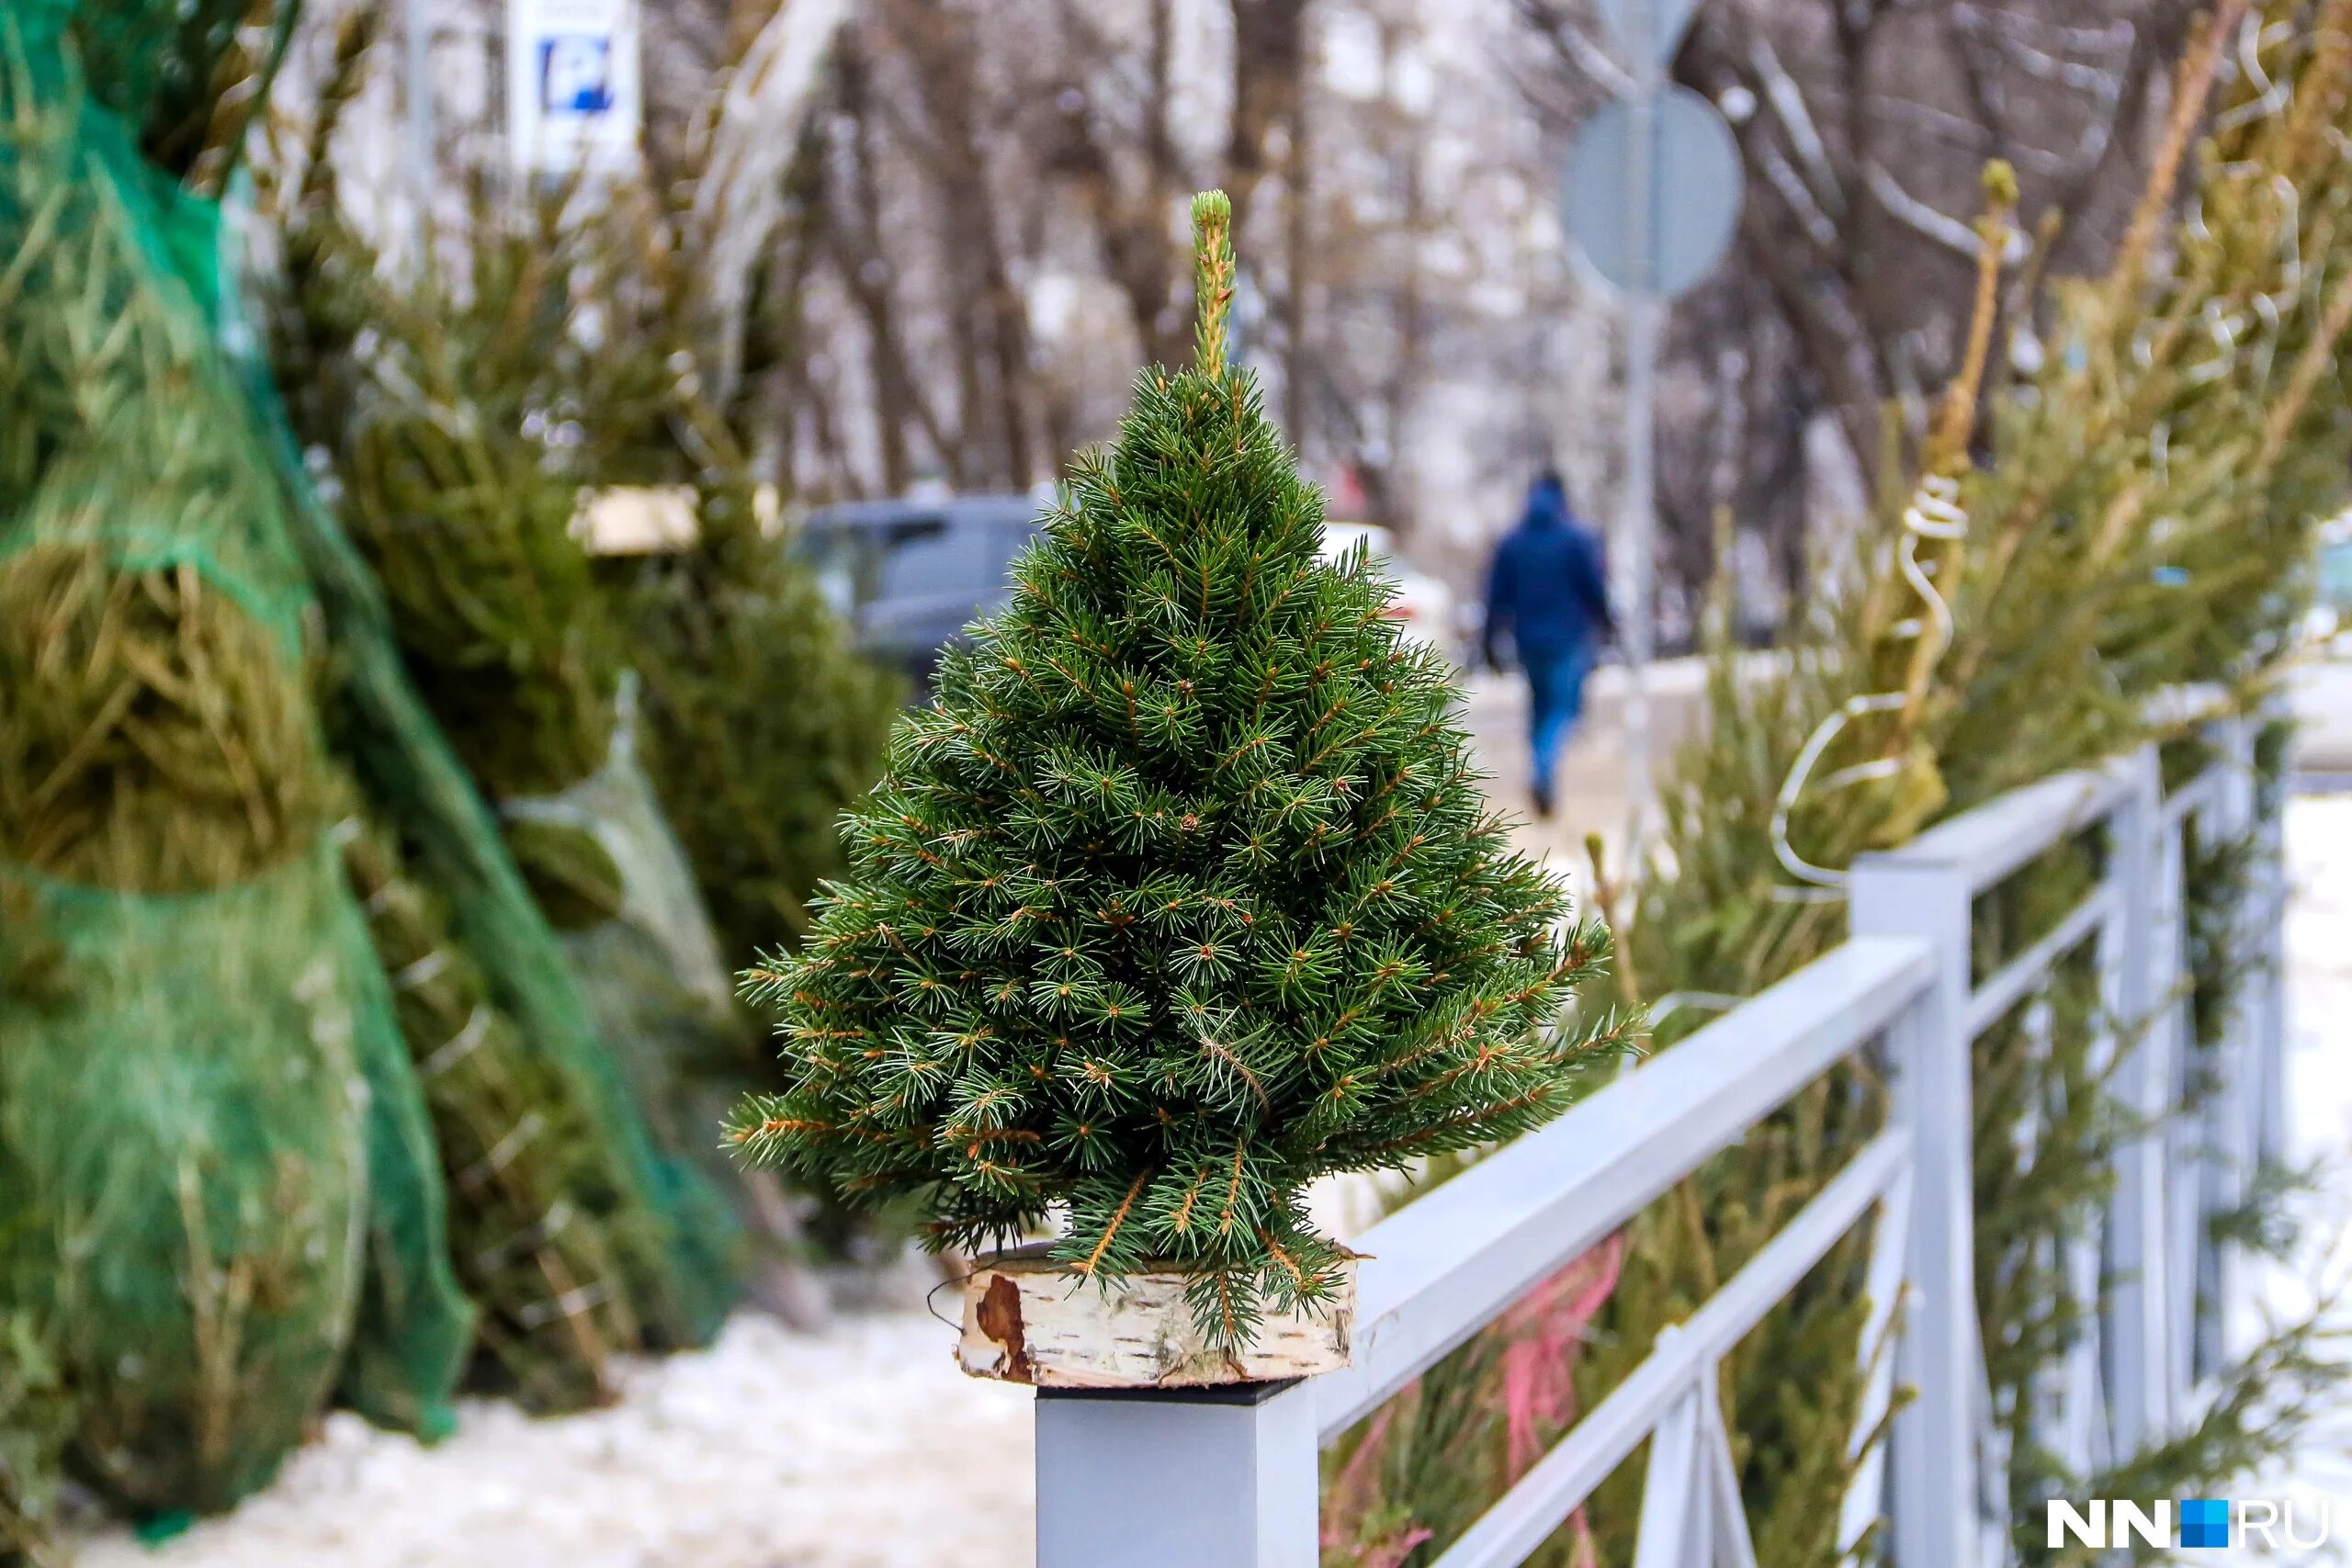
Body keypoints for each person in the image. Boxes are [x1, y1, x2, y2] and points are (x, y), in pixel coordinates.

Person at [1482, 470, 1614, 819]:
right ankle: (1543, 773)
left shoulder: (1513, 542)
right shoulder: (1575, 538)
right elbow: (1594, 587)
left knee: (1539, 710)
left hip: (1527, 641)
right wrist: (1607, 622)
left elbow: (1496, 596)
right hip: (1568, 640)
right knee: (1562, 709)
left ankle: (1540, 769)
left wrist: (1489, 640)